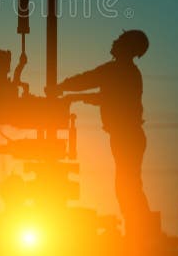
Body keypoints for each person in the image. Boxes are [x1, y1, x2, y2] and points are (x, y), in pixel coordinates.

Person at [46, 29, 153, 241]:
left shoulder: (123, 72)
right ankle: (139, 233)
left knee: (127, 186)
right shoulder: (119, 70)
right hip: (126, 136)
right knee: (127, 186)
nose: (115, 40)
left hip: (127, 136)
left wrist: (67, 92)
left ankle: (140, 236)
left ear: (129, 48)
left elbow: (104, 95)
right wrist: (64, 89)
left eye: (121, 39)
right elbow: (89, 79)